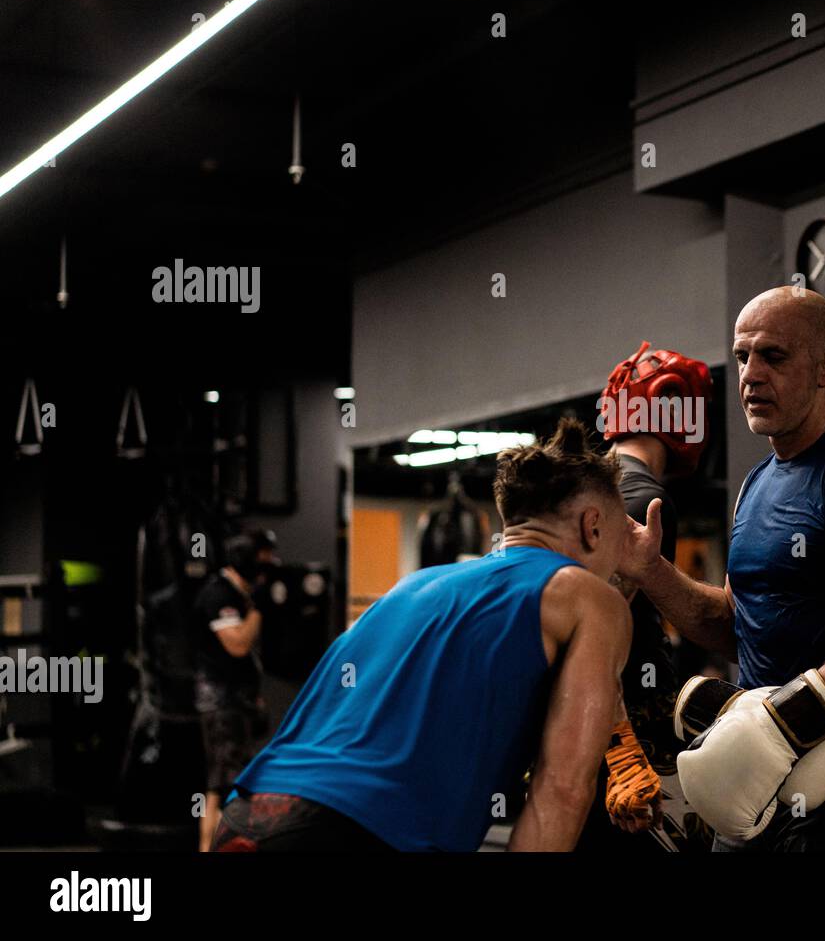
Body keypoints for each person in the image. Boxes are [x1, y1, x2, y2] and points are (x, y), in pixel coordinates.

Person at [213, 420, 632, 851]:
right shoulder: (589, 598)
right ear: (592, 527)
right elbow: (561, 792)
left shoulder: (416, 583)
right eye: (622, 540)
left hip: (250, 816)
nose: (621, 559)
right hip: (355, 830)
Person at [618, 286, 825, 852]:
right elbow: (732, 623)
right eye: (742, 357)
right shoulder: (755, 484)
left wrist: (776, 727)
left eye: (774, 356)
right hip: (757, 780)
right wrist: (652, 572)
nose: (750, 375)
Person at [575, 341, 712, 852]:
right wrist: (622, 751)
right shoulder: (643, 499)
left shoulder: (586, 485)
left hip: (587, 734)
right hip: (623, 736)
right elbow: (588, 633)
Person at [193, 529, 278, 852]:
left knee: (222, 784)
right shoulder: (219, 595)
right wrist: (257, 611)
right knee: (224, 785)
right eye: (261, 560)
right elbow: (239, 644)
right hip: (221, 704)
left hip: (234, 702)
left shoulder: (235, 594)